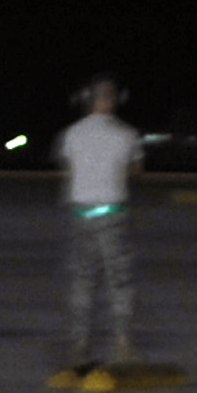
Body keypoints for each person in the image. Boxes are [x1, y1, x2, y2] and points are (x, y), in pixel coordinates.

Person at [57, 77, 144, 376]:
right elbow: (136, 169)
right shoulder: (127, 134)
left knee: (83, 280)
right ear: (113, 101)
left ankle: (80, 345)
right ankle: (122, 344)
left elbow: (69, 168)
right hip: (112, 213)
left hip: (81, 213)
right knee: (118, 281)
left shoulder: (72, 133)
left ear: (88, 100)